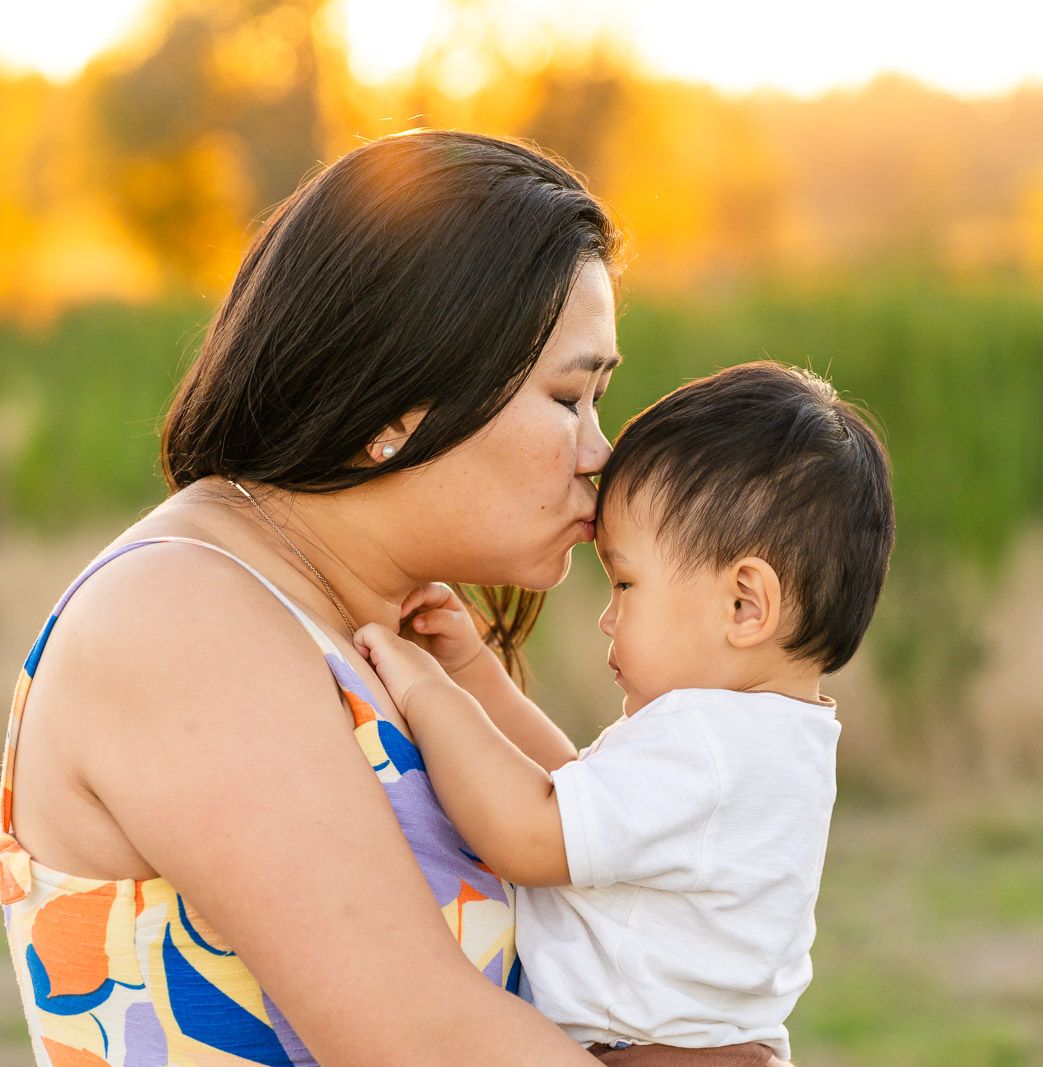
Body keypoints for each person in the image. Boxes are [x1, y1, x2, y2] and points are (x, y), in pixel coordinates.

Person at [0, 129, 624, 1064]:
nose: (599, 453)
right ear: (397, 406)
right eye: (569, 400)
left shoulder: (390, 621)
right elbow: (420, 1039)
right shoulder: (181, 617)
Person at [353, 360, 897, 1065]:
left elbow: (530, 829)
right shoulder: (767, 738)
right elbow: (577, 787)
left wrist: (426, 688)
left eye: (627, 581)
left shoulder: (711, 739)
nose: (609, 618)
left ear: (744, 605)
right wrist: (472, 669)